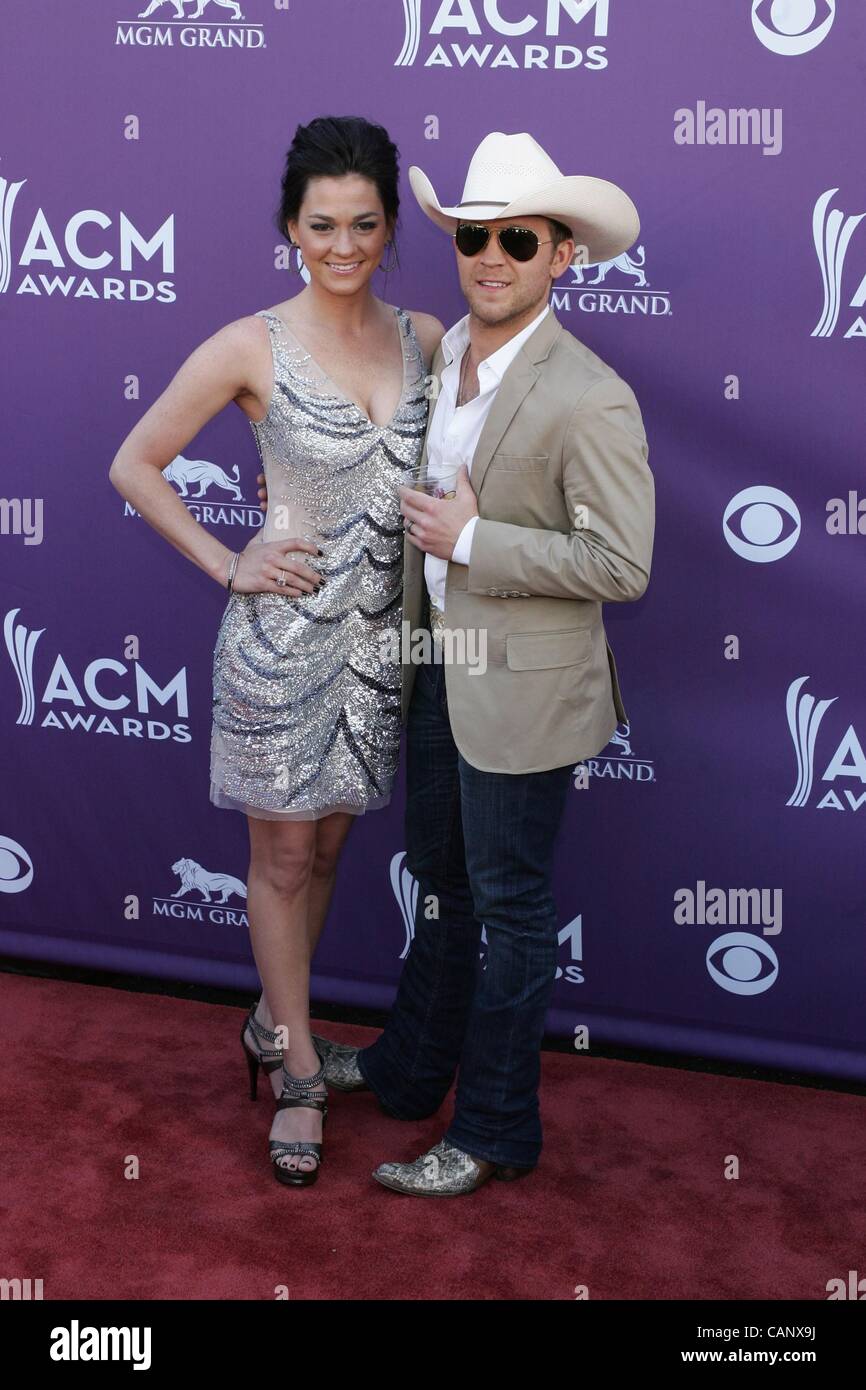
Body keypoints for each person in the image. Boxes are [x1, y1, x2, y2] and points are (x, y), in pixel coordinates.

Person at [310, 131, 656, 1195]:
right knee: (445, 896)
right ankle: (411, 1072)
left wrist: (470, 540)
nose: (490, 254)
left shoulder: (586, 393)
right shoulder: (439, 353)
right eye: (472, 235)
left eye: (516, 237)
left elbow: (621, 560)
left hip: (525, 695)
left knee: (508, 914)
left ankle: (497, 1127)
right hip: (436, 668)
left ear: (561, 256)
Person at [109, 115, 443, 1187]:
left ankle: (271, 1017)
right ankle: (299, 1074)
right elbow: (136, 463)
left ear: (389, 229)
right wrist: (226, 560)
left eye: (362, 224)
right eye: (318, 224)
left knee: (335, 849)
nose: (340, 246)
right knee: (282, 858)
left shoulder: (425, 340)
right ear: (289, 226)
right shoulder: (250, 342)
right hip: (279, 642)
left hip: (379, 649)